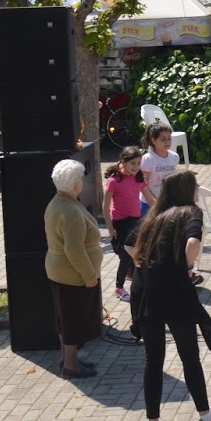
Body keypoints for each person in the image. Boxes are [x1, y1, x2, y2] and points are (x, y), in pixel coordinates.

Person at [128, 167, 211, 421]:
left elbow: (128, 245)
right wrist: (186, 266)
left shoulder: (154, 215)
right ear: (188, 190)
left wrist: (146, 264)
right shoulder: (190, 212)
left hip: (146, 291)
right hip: (174, 293)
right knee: (189, 356)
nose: (198, 190)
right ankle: (206, 417)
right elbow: (193, 243)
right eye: (196, 186)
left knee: (153, 359)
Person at [44, 159, 102, 380]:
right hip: (72, 275)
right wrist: (89, 276)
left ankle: (69, 359)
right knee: (73, 321)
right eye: (80, 179)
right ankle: (71, 366)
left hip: (59, 271)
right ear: (76, 184)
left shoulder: (58, 202)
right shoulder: (70, 211)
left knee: (65, 318)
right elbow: (74, 249)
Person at [104, 147, 146, 302]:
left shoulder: (139, 179)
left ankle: (138, 284)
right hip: (120, 222)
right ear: (123, 162)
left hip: (135, 220)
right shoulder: (114, 181)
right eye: (132, 163)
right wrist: (110, 229)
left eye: (138, 163)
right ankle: (119, 287)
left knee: (137, 253)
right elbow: (105, 207)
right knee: (125, 256)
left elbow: (151, 199)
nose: (136, 167)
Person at [140, 123, 180, 218]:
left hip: (168, 203)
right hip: (148, 204)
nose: (167, 142)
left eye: (169, 138)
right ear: (154, 140)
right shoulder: (148, 159)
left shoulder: (174, 157)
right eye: (163, 139)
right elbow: (143, 184)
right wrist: (155, 203)